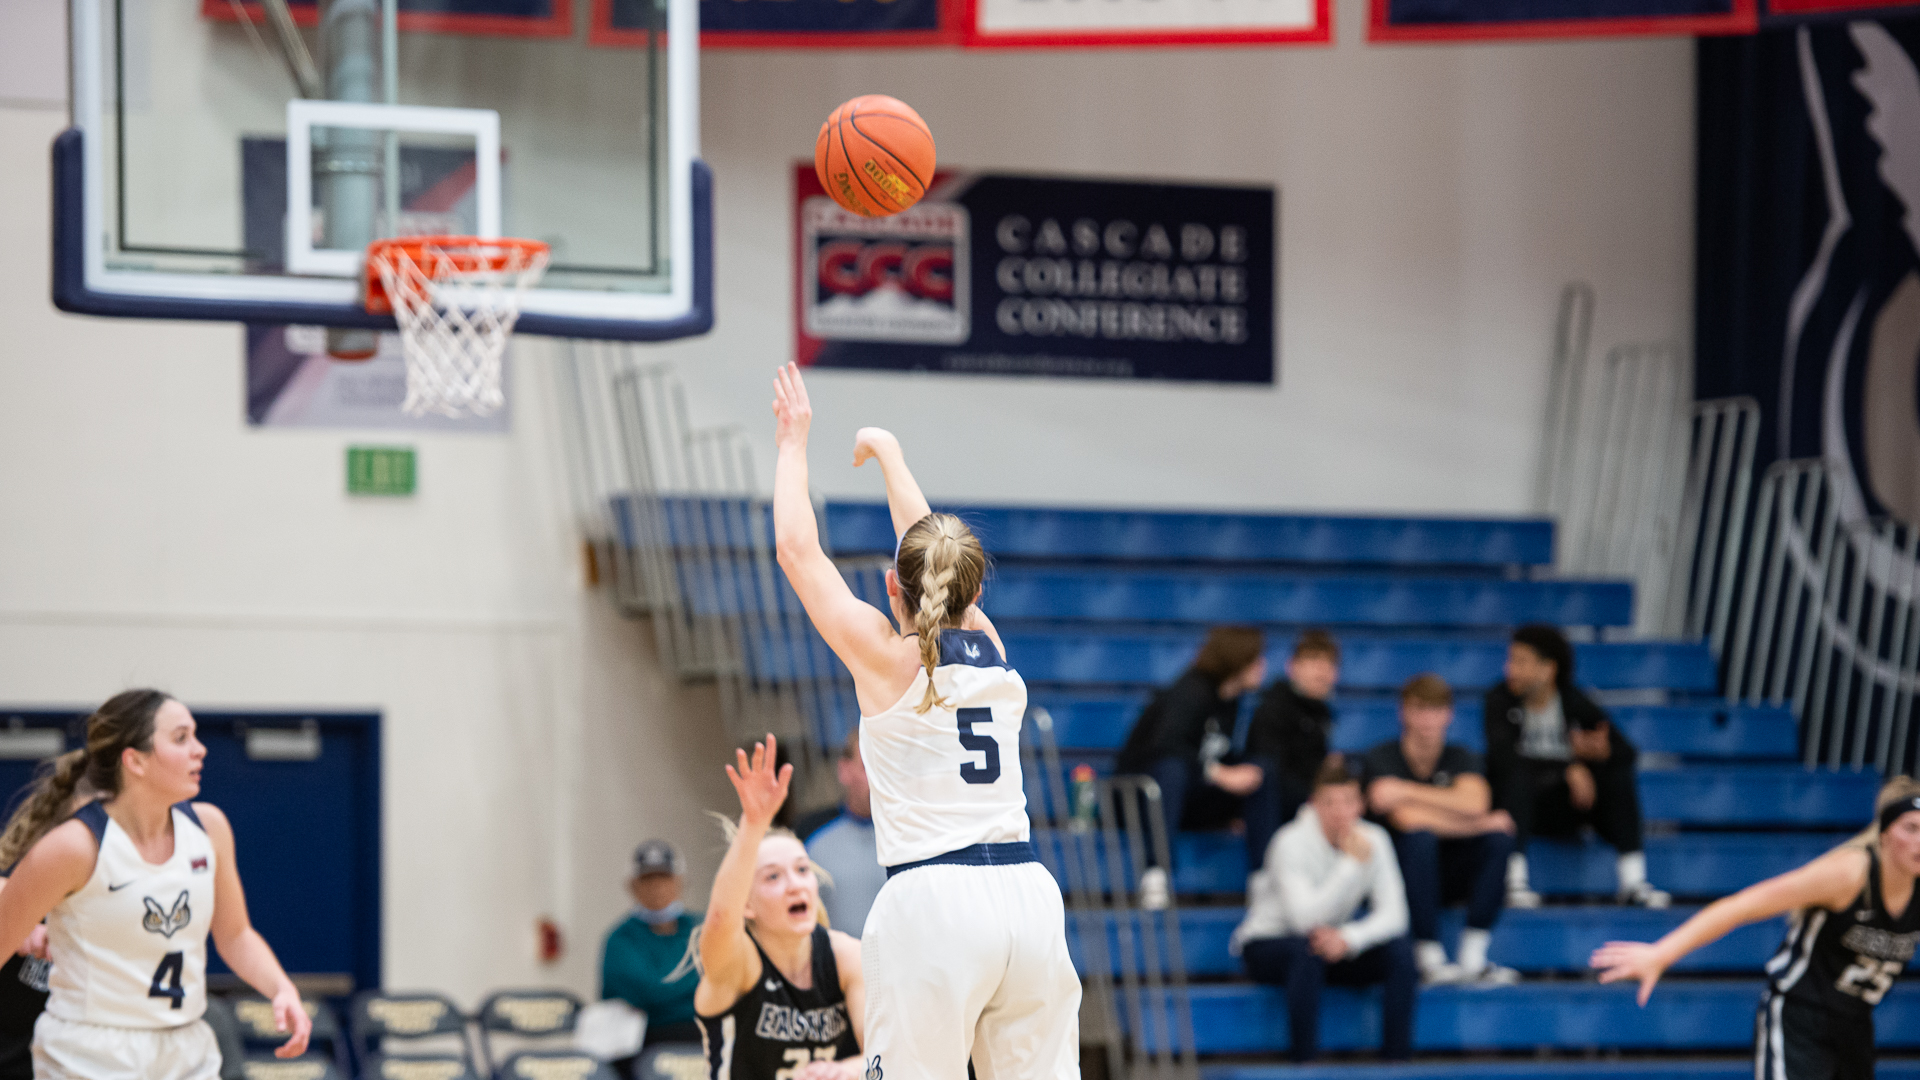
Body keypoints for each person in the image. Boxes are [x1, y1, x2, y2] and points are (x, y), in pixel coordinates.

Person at [769, 364, 1080, 1080]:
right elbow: (934, 556)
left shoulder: (886, 660)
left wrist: (793, 442)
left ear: (890, 588)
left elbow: (797, 552)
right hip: (1030, 895)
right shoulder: (995, 651)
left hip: (936, 900)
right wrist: (892, 455)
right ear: (972, 592)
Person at [0, 689, 312, 1080]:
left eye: (195, 735)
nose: (200, 749)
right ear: (136, 761)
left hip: (185, 1044)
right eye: (181, 738)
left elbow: (235, 935)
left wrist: (282, 989)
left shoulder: (209, 828)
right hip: (90, 1051)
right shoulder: (75, 847)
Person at [1591, 778, 1920, 1080]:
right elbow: (1742, 906)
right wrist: (1662, 953)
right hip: (1799, 1018)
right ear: (1884, 835)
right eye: (1911, 828)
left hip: (1855, 1027)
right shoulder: (1849, 874)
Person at [693, 736, 863, 1080]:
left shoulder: (846, 957)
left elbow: (882, 1056)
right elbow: (721, 919)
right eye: (773, 877)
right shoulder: (739, 965)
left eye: (802, 869)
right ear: (748, 906)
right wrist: (753, 826)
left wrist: (841, 1071)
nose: (795, 884)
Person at [1231, 759, 1415, 1063]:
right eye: (1330, 802)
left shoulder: (1375, 840)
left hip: (1329, 942)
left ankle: (1395, 1064)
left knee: (1401, 953)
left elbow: (1396, 916)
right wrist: (1351, 865)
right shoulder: (1289, 842)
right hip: (1268, 943)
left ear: (1362, 805)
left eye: (1349, 801)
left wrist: (1350, 937)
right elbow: (1304, 921)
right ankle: (1305, 1064)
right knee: (1307, 951)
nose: (1341, 811)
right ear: (1314, 803)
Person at [1484, 624, 1669, 909]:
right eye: (1510, 660)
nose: (1510, 669)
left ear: (1548, 669)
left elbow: (1625, 751)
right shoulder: (1498, 700)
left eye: (1520, 661)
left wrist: (1600, 753)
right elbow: (1503, 759)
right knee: (1516, 776)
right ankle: (1513, 882)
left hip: (1569, 806)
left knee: (1616, 773)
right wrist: (1568, 766)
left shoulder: (1572, 700)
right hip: (1522, 807)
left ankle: (1632, 883)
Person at [1360, 674, 1518, 986]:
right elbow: (1407, 820)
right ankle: (1428, 955)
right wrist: (1473, 821)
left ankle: (1473, 956)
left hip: (1452, 872)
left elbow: (1476, 802)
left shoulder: (1461, 756)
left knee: (1498, 839)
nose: (1427, 719)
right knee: (1420, 840)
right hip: (1401, 876)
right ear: (1403, 712)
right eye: (1419, 710)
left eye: (1436, 710)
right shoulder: (1380, 758)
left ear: (1449, 714)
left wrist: (1406, 790)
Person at [1115, 626, 1280, 908]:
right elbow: (1165, 746)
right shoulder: (1189, 690)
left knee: (1259, 770)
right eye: (1256, 659)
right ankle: (1156, 874)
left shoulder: (1233, 700)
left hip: (1190, 799)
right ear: (1236, 659)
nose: (1262, 666)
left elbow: (1218, 752)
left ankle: (1262, 881)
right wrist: (1220, 774)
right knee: (1172, 769)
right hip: (1142, 798)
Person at [602, 839, 702, 1054]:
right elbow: (652, 994)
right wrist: (698, 981)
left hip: (703, 1040)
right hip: (644, 1047)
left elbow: (728, 984)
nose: (656, 887)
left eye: (664, 878)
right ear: (632, 886)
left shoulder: (701, 928)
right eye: (647, 879)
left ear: (680, 882)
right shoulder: (620, 939)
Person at [1246, 630, 1342, 827]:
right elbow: (1272, 777)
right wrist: (1318, 799)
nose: (1323, 670)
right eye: (1314, 660)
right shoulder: (1273, 708)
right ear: (1292, 667)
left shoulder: (1321, 712)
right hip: (1279, 815)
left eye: (1330, 663)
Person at [804, 735, 884, 937]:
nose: (879, 779)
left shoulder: (917, 837)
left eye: (886, 768)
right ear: (844, 770)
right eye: (868, 768)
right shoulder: (813, 842)